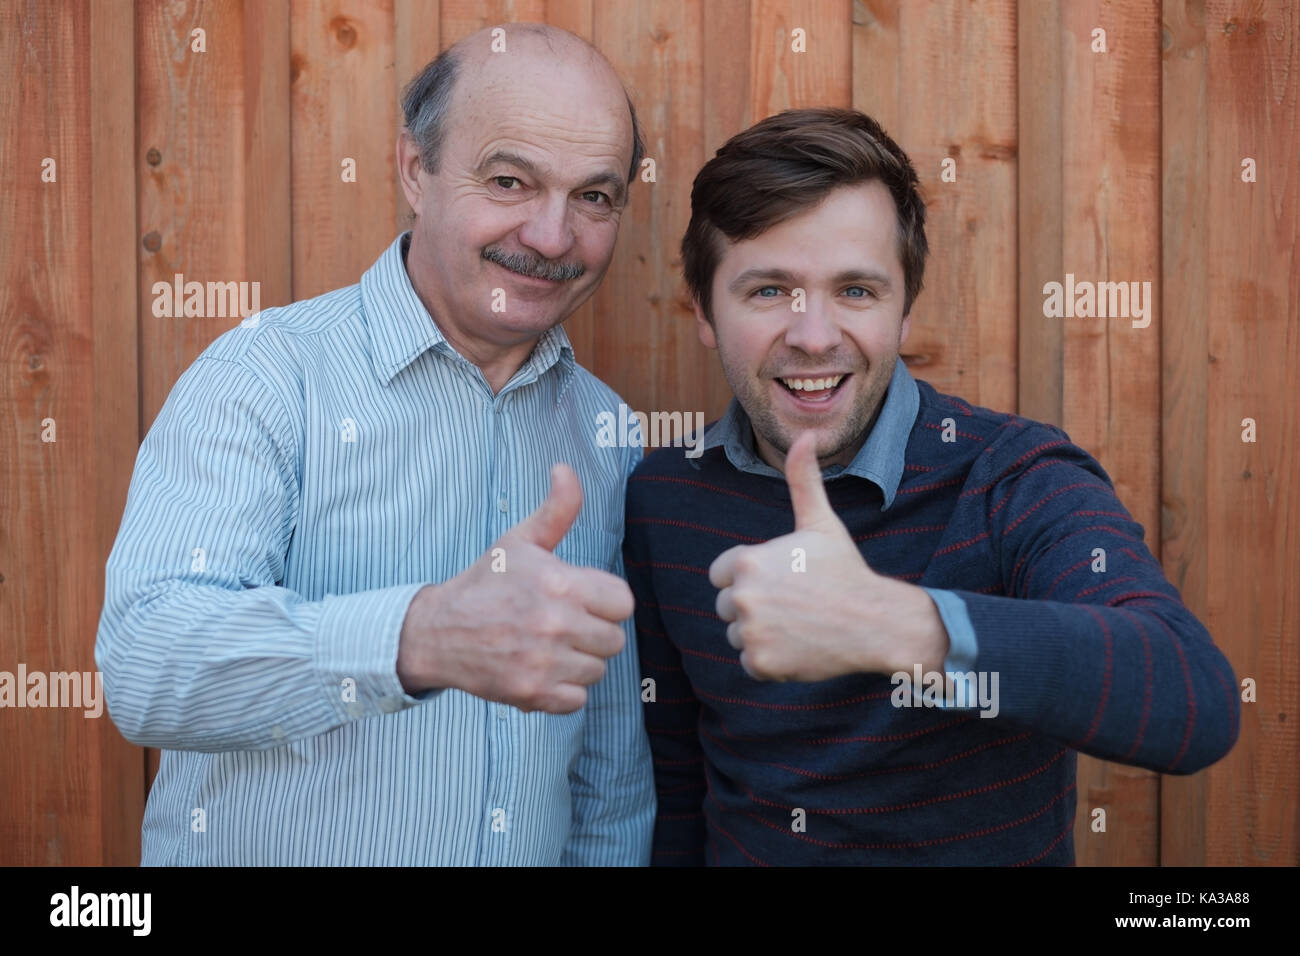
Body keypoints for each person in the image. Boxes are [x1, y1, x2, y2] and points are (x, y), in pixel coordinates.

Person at [96, 24, 655, 865]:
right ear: (414, 172)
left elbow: (608, 782)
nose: (550, 235)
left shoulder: (608, 434)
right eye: (509, 180)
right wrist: (418, 638)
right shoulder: (268, 376)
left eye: (594, 197)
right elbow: (147, 664)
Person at [626, 107, 1240, 866]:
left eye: (856, 291)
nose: (814, 335)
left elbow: (1195, 700)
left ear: (904, 309)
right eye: (769, 291)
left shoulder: (1013, 477)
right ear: (704, 310)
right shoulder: (662, 498)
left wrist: (895, 625)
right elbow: (679, 789)